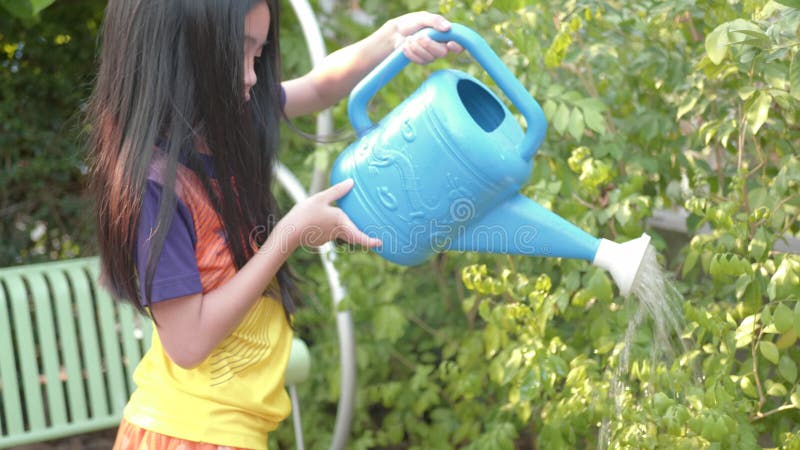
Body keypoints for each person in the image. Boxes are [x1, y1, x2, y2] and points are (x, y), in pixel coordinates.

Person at [86, 0, 461, 449]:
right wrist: (289, 235)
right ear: (177, 53)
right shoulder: (155, 183)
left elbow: (321, 87)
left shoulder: (225, 123)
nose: (251, 76)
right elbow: (187, 345)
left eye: (258, 56)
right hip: (189, 434)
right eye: (238, 54)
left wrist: (390, 37)